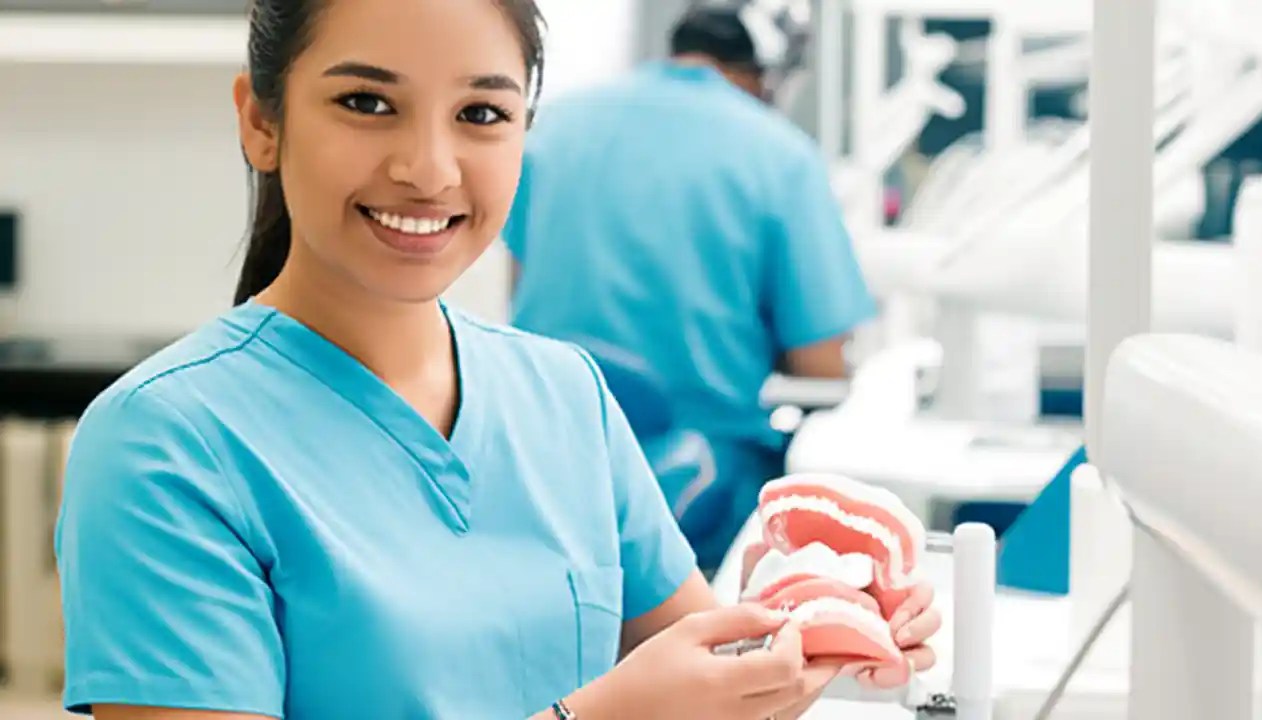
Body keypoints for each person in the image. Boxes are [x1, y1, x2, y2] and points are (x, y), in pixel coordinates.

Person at [54, 1, 938, 718]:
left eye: (481, 113)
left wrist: (809, 618)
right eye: (367, 102)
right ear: (261, 121)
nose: (430, 170)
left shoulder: (566, 396)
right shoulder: (163, 446)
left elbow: (711, 679)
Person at [504, 4, 879, 570]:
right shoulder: (778, 153)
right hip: (700, 485)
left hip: (544, 460)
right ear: (767, 73)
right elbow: (821, 363)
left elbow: (522, 290)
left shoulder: (552, 128)